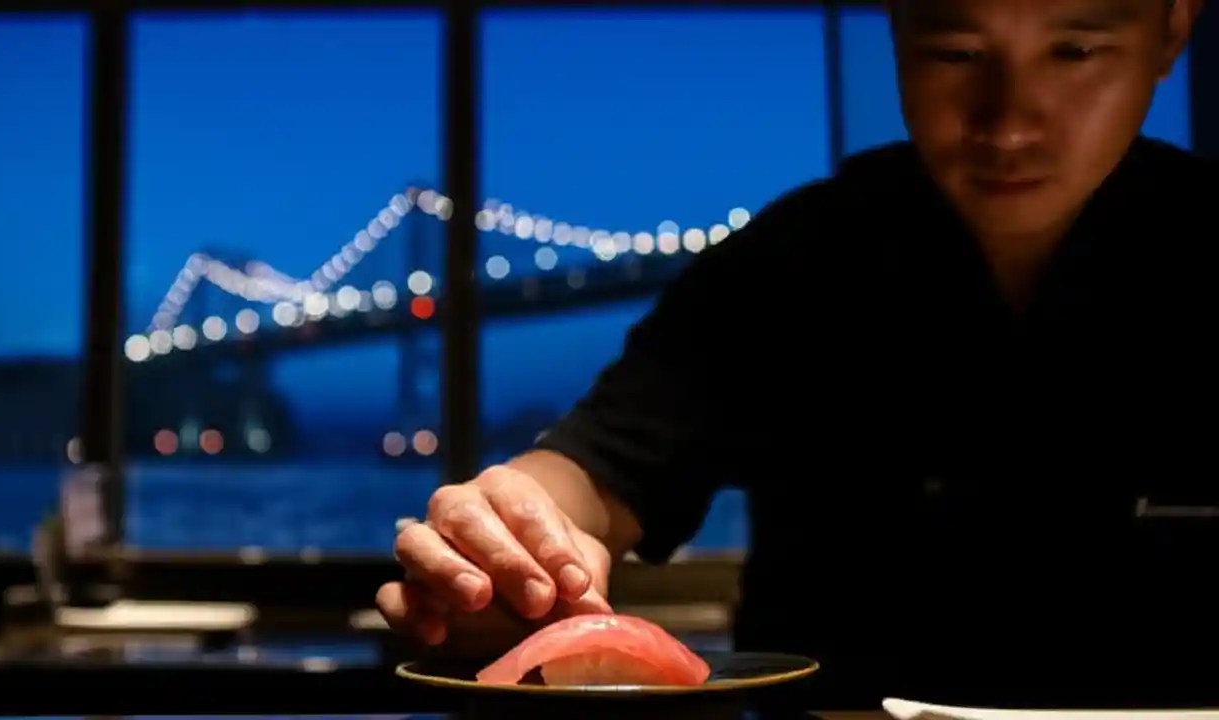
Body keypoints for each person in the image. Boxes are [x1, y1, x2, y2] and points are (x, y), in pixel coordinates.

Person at [380, 0, 1219, 709]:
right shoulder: (788, 260)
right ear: (895, 34)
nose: (1008, 121)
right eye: (956, 51)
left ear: (1173, 31)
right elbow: (593, 473)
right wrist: (510, 533)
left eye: (1074, 50)